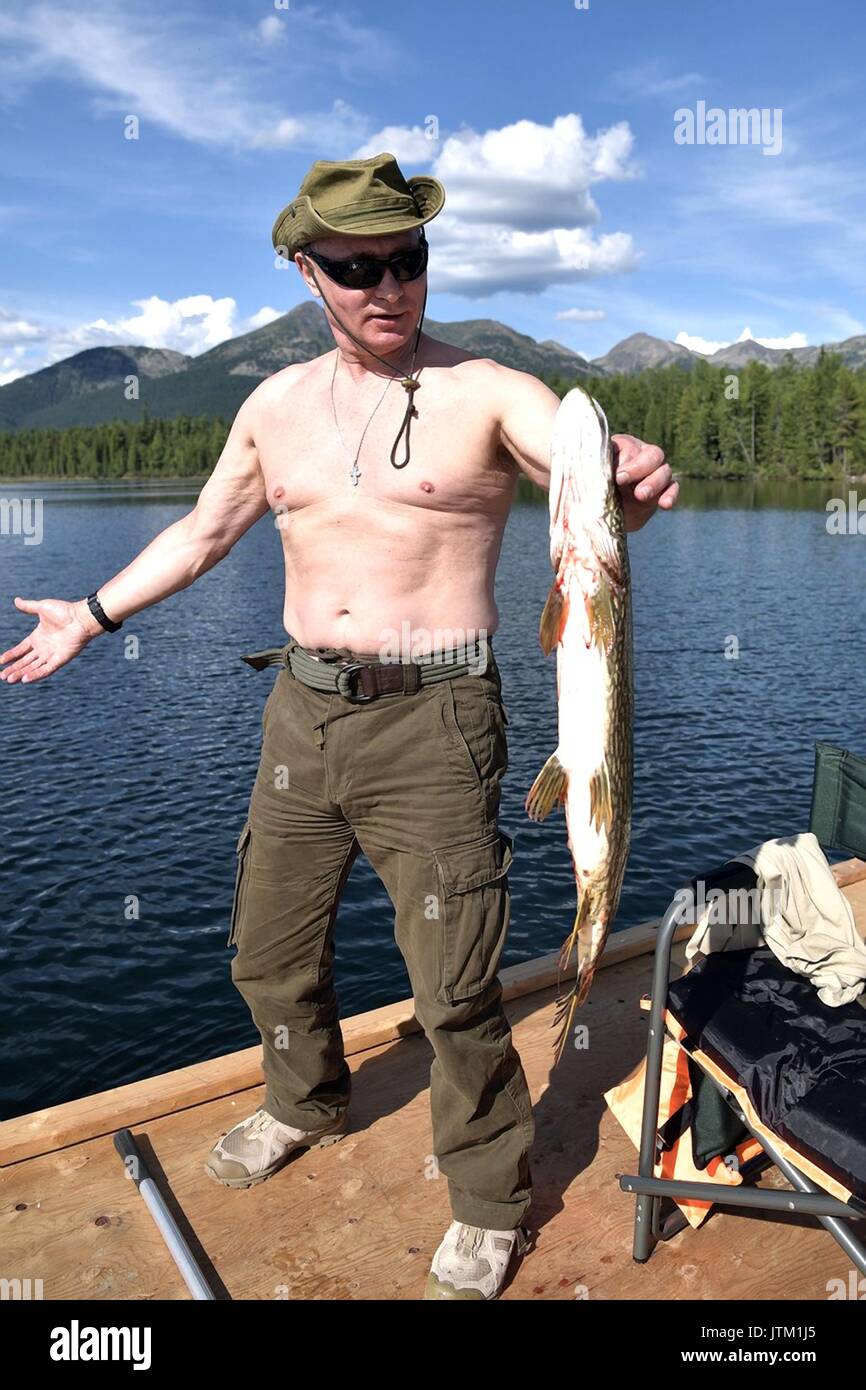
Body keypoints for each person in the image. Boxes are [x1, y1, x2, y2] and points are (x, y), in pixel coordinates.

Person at [0, 153, 678, 1300]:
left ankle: (487, 1196)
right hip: (301, 709)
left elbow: (581, 470)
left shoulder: (491, 391)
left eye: (405, 260)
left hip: (439, 720)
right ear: (304, 271)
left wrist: (623, 474)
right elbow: (206, 533)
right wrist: (95, 611)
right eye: (356, 266)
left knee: (453, 981)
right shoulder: (270, 408)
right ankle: (301, 1099)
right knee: (267, 952)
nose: (386, 287)